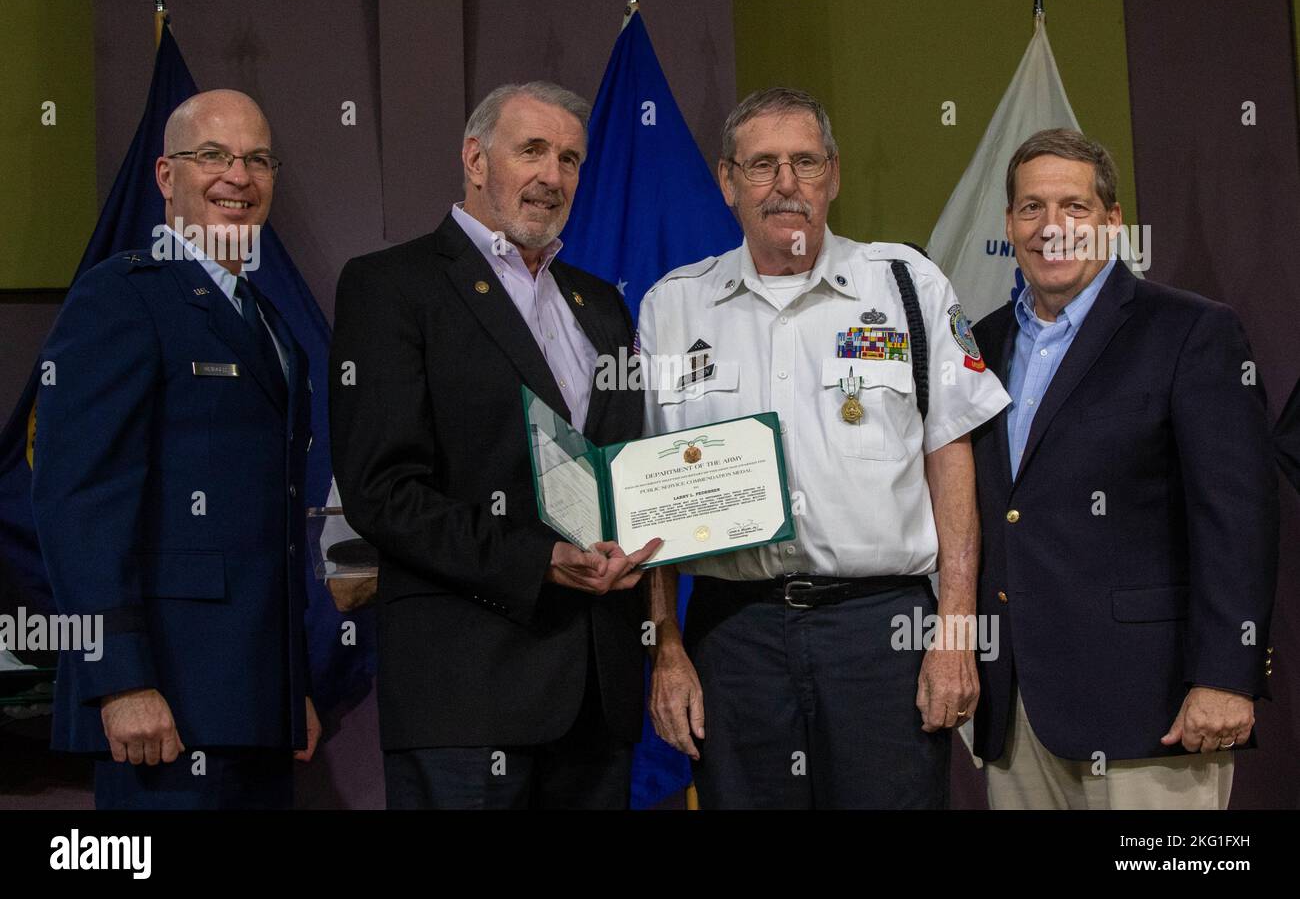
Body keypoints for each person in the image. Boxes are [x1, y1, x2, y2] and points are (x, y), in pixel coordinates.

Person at [639, 87, 1011, 808]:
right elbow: (647, 493)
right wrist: (666, 648)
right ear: (726, 181)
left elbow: (951, 458)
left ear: (834, 176)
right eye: (763, 165)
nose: (786, 184)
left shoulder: (905, 284)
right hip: (731, 634)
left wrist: (956, 631)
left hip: (881, 631)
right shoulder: (672, 307)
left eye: (806, 162)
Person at [330, 82, 659, 809]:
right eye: (533, 151)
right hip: (467, 700)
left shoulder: (600, 304)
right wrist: (537, 560)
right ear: (475, 160)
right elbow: (381, 492)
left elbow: (621, 468)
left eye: (570, 158)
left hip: (598, 695)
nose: (553, 176)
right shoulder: (390, 287)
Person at [970, 128, 1278, 809]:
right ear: (1008, 225)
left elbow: (1238, 519)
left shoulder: (1191, 332)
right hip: (1017, 712)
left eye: (1074, 208)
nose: (1053, 228)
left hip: (1154, 707)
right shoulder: (981, 343)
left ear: (1112, 221)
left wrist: (1228, 676)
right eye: (1031, 209)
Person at [33, 89, 319, 809]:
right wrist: (119, 679)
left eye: (258, 160)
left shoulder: (271, 324)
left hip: (255, 706)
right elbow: (78, 504)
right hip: (161, 704)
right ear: (166, 176)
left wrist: (290, 688)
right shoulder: (122, 298)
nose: (239, 177)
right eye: (213, 156)